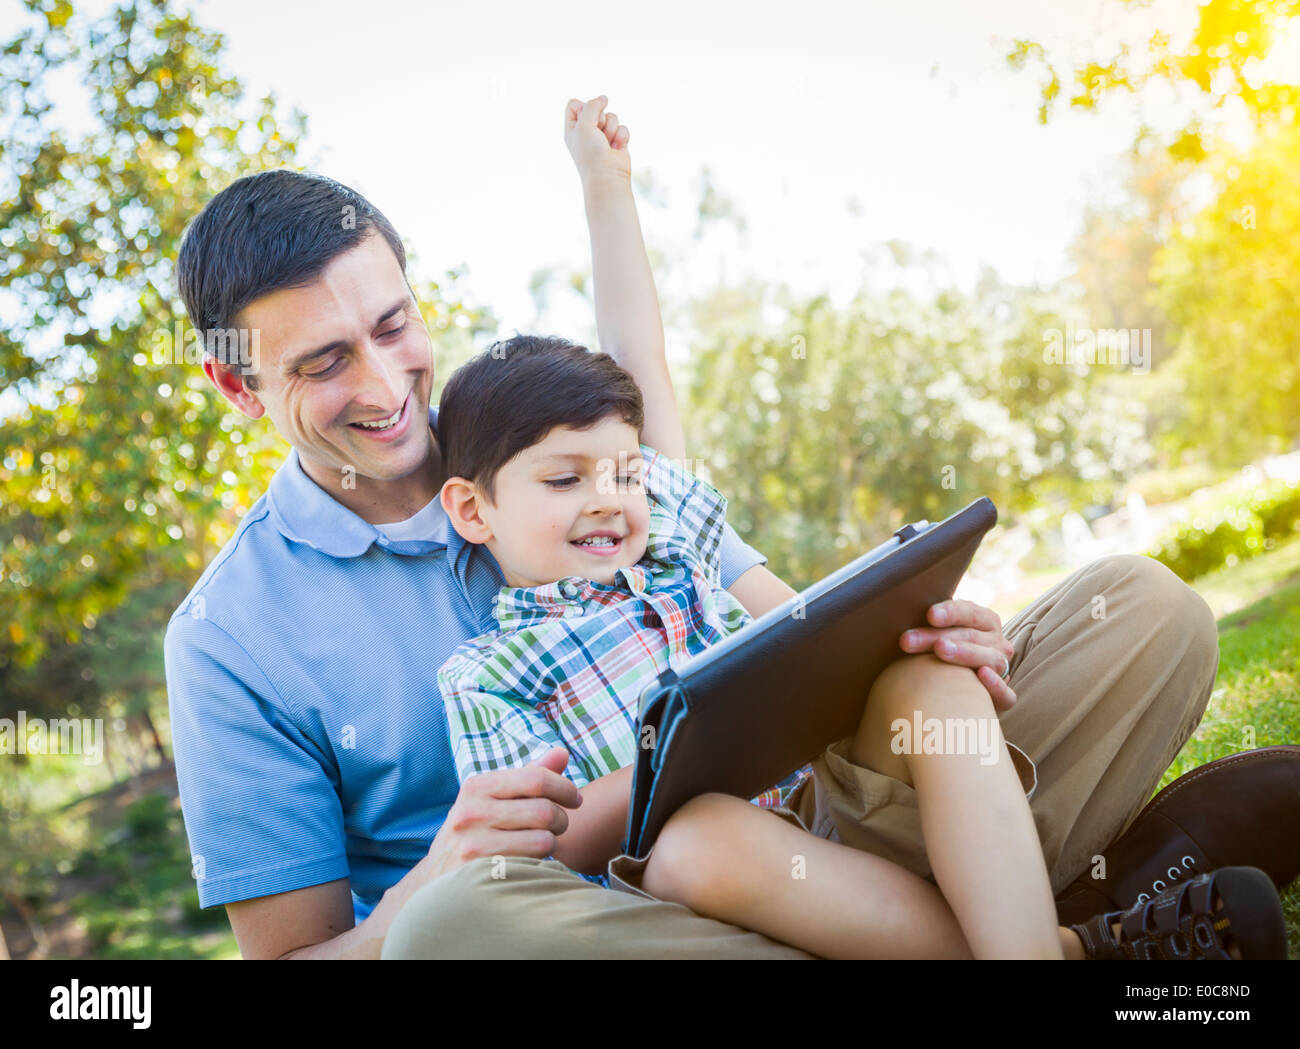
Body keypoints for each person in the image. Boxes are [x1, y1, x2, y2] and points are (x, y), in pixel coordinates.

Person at [164, 94, 1291, 960]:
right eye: (322, 362)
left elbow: (658, 418)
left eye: (393, 324)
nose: (383, 380)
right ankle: (1073, 923)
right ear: (234, 382)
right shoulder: (232, 634)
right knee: (454, 926)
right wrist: (434, 874)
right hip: (633, 920)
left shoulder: (528, 439)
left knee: (1142, 609)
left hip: (812, 817)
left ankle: (997, 914)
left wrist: (911, 628)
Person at [429, 334, 1284, 960]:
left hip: (849, 810)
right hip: (720, 892)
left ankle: (1028, 922)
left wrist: (926, 633)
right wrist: (682, 755)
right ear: (473, 510)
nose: (608, 499)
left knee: (1123, 608)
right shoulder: (486, 675)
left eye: (624, 473)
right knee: (697, 836)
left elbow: (639, 358)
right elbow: (537, 850)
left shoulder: (680, 553)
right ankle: (1063, 943)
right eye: (564, 478)